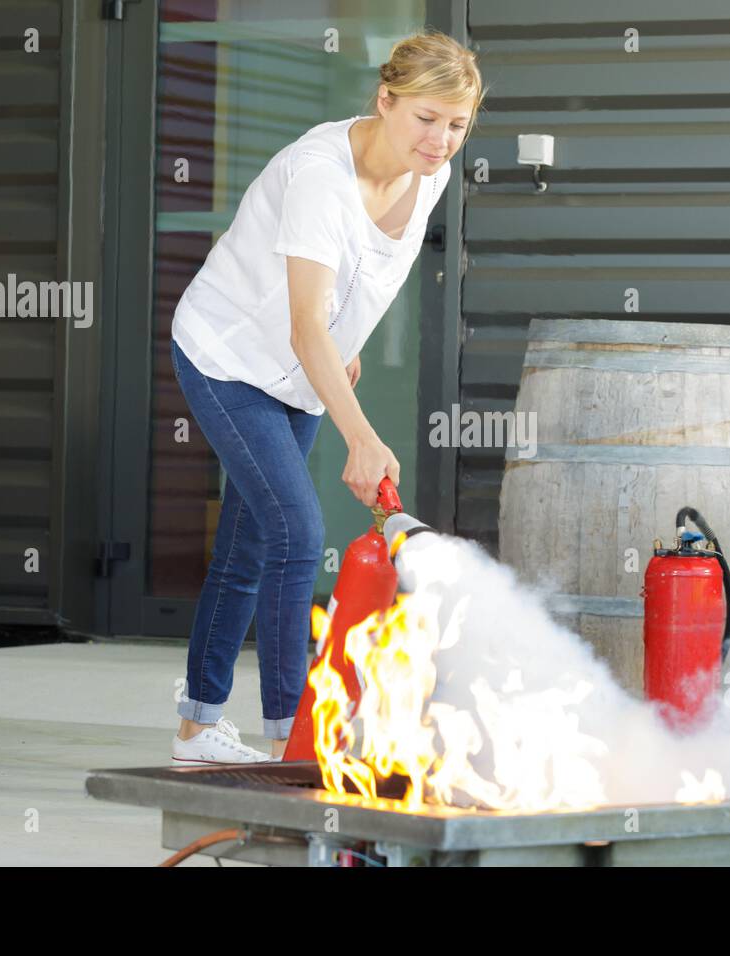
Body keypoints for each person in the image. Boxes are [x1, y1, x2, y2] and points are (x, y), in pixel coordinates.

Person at [167, 30, 485, 765]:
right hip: (229, 358)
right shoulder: (319, 176)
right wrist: (362, 435)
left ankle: (196, 728)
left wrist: (351, 340)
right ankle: (295, 743)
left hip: (307, 374)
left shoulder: (428, 173)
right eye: (426, 118)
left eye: (458, 125)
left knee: (249, 546)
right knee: (297, 535)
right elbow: (302, 322)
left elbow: (354, 282)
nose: (441, 140)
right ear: (385, 100)